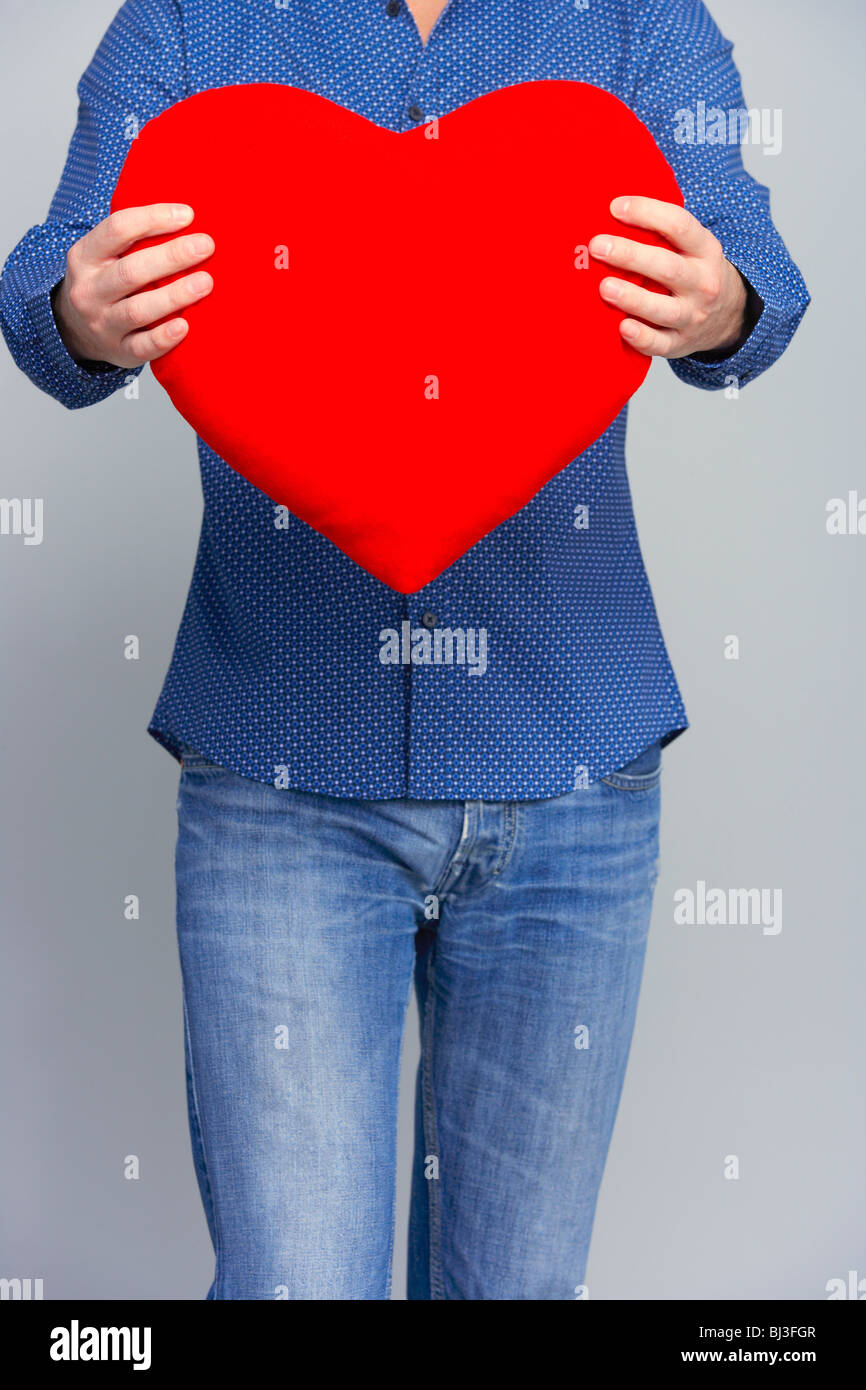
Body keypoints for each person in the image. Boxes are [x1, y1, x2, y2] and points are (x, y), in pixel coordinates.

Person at [0, 0, 809, 1300]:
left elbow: (755, 267)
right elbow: (50, 279)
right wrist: (76, 312)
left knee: (515, 1291)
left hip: (570, 766)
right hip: (279, 775)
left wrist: (720, 303)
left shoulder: (636, 22)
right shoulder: (187, 27)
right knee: (293, 1283)